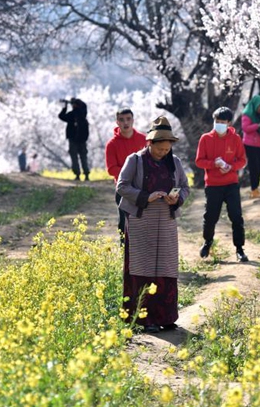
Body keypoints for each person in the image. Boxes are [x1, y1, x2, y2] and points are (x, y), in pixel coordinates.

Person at [117, 116, 189, 334]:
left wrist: (177, 198)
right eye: (160, 149)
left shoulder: (175, 162)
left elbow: (185, 187)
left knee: (166, 267)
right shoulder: (135, 160)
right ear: (150, 143)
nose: (163, 153)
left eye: (167, 149)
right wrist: (145, 196)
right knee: (143, 267)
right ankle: (144, 319)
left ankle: (166, 317)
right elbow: (122, 186)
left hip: (166, 220)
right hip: (141, 221)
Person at [196, 107, 249, 262]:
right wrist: (214, 164)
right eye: (216, 121)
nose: (219, 124)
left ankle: (239, 249)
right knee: (210, 217)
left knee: (236, 216)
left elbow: (242, 160)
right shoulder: (205, 138)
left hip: (231, 183)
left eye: (222, 122)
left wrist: (231, 167)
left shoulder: (236, 139)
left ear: (229, 123)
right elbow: (199, 161)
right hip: (213, 184)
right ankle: (207, 242)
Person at [105, 108, 147, 237]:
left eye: (128, 119)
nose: (125, 122)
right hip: (123, 188)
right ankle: (125, 248)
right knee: (124, 222)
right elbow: (111, 169)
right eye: (122, 120)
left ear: (133, 120)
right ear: (117, 122)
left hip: (143, 187)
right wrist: (132, 172)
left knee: (144, 221)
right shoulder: (112, 144)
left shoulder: (144, 139)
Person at [241, 94, 260, 199]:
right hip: (249, 144)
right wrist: (258, 125)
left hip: (259, 144)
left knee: (259, 167)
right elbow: (245, 128)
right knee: (254, 167)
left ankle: (256, 188)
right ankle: (254, 190)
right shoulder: (247, 114)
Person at [58, 98, 90, 181]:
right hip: (82, 140)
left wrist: (65, 108)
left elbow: (61, 116)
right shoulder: (83, 115)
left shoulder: (71, 115)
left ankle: (77, 174)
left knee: (74, 157)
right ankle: (86, 174)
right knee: (83, 157)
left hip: (73, 140)